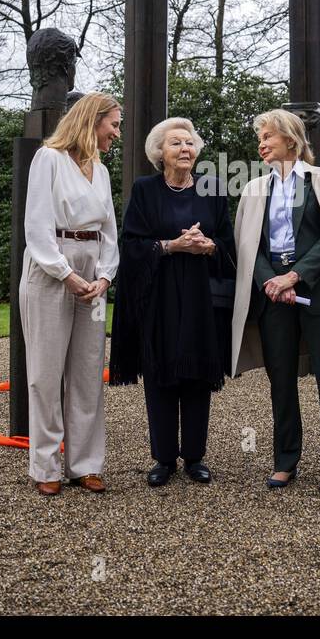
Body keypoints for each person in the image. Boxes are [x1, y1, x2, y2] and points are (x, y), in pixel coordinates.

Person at [229, 109, 320, 494]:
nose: (262, 143)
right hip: (273, 295)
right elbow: (248, 244)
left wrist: (296, 275)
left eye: (268, 136)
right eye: (260, 137)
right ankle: (285, 460)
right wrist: (272, 282)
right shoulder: (254, 188)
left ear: (291, 139)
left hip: (318, 291)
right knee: (281, 381)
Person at [110, 118, 235, 487]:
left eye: (190, 143)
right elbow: (130, 246)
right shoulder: (146, 190)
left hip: (201, 298)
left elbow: (229, 244)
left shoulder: (213, 189)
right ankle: (163, 458)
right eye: (176, 143)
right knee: (160, 371)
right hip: (159, 296)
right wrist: (171, 246)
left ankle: (195, 457)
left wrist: (208, 245)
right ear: (159, 153)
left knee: (197, 372)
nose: (185, 149)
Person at [19, 93, 121, 496]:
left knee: (87, 372)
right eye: (113, 122)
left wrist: (105, 277)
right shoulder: (48, 159)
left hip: (92, 269)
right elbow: (37, 224)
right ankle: (46, 465)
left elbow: (110, 229)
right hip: (51, 268)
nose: (117, 131)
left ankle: (85, 464)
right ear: (91, 121)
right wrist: (64, 273)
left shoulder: (101, 169)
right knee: (45, 374)